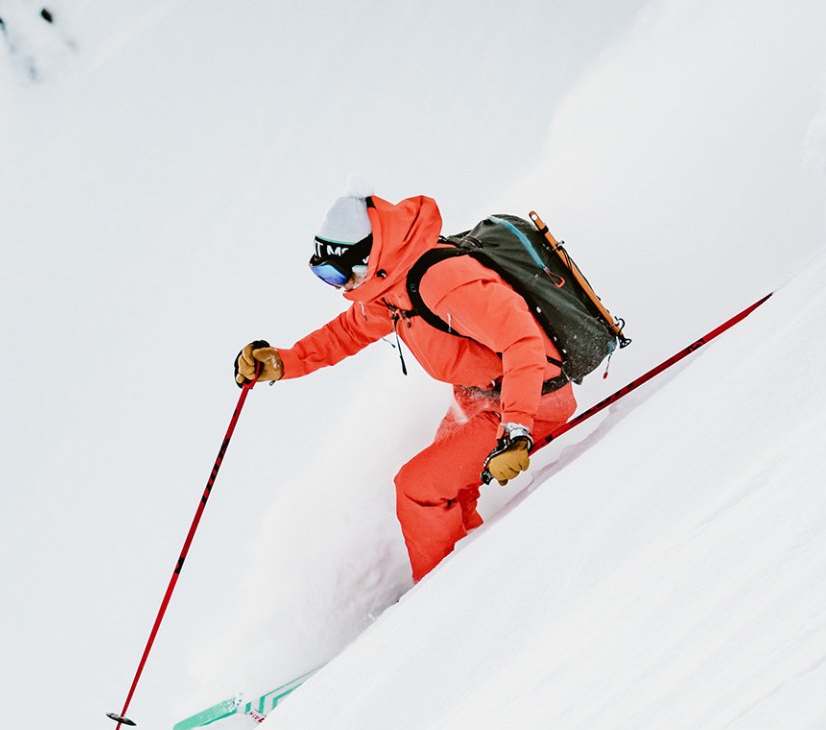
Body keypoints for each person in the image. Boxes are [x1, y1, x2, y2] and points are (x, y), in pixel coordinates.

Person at [236, 190, 577, 582]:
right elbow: (349, 331)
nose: (336, 285)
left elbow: (522, 341)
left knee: (419, 490)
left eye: (336, 274)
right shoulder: (392, 282)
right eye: (323, 273)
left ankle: (439, 602)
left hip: (531, 396)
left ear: (368, 256)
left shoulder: (442, 282)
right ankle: (473, 576)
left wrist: (516, 429)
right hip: (480, 395)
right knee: (450, 490)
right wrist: (285, 361)